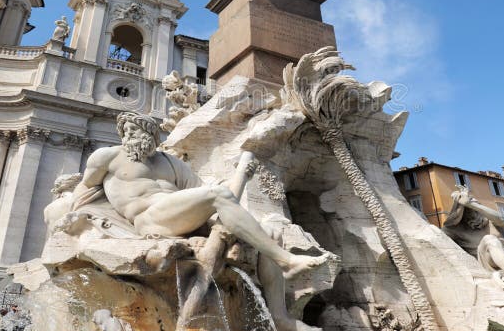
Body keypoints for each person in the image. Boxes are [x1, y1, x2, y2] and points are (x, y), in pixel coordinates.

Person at [72, 112, 332, 280]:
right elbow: (85, 190)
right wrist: (76, 221)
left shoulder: (170, 162)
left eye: (135, 130)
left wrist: (242, 174)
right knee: (218, 195)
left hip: (181, 217)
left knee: (269, 232)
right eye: (126, 130)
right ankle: (286, 260)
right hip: (149, 219)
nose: (129, 135)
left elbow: (221, 198)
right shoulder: (108, 156)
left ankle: (280, 315)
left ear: (151, 134)